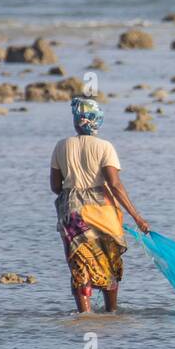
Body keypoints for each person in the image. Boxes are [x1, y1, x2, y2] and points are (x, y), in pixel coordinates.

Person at [50, 97, 150, 313]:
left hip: (73, 211)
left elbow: (55, 186)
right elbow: (114, 184)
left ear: (77, 121)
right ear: (98, 121)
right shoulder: (105, 147)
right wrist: (137, 217)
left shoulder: (61, 146)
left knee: (80, 264)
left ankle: (84, 316)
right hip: (103, 211)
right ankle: (111, 313)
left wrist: (75, 187)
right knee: (108, 261)